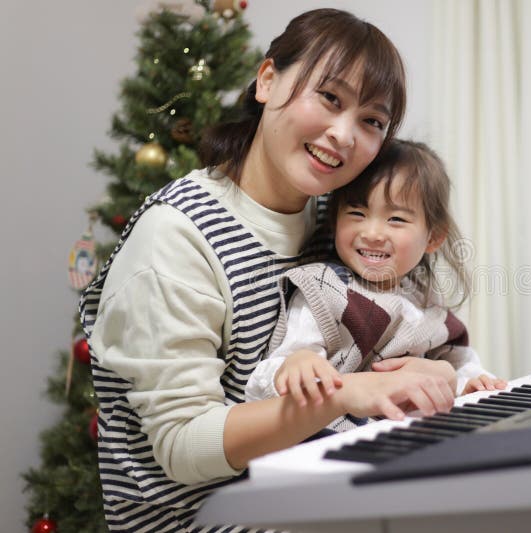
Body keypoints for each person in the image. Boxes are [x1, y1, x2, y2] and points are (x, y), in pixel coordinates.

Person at [80, 9, 456, 533]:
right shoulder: (177, 234)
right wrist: (345, 393)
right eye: (329, 98)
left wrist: (436, 371)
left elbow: (393, 335)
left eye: (371, 120)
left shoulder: (335, 218)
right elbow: (183, 447)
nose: (344, 135)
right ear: (267, 79)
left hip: (324, 499)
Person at [245, 139, 507, 431]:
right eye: (357, 214)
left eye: (395, 219)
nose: (372, 233)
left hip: (406, 437)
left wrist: (469, 383)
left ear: (433, 237)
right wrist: (295, 364)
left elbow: (454, 363)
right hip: (333, 440)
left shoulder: (424, 297)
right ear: (335, 220)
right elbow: (270, 379)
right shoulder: (324, 288)